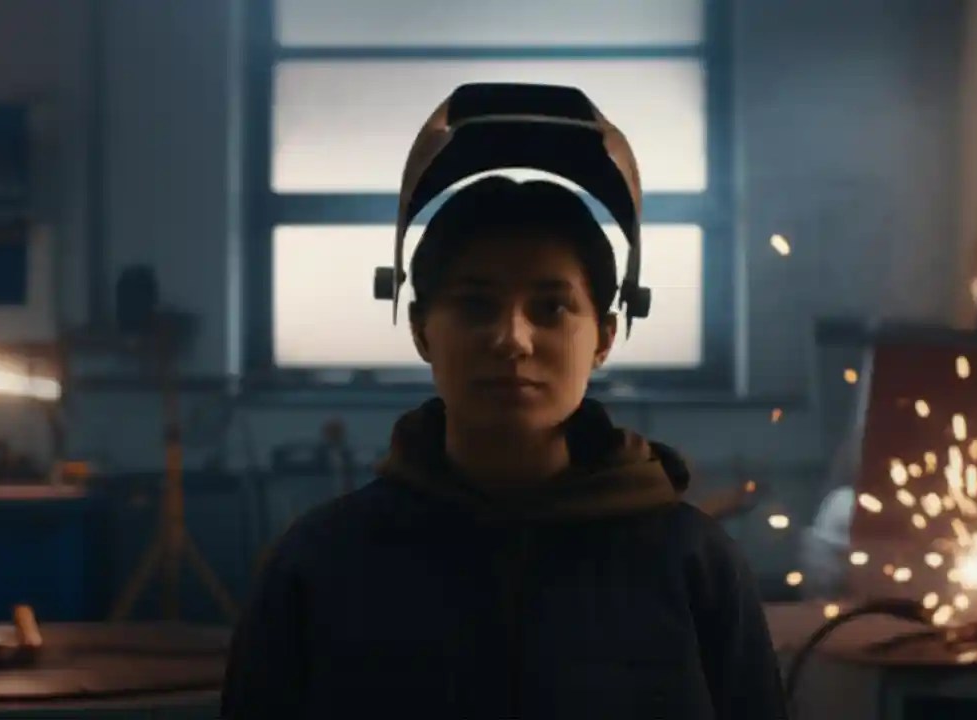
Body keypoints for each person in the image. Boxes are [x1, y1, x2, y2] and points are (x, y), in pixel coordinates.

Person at [222, 142, 787, 720]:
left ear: (605, 336)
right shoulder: (322, 562)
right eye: (474, 306)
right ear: (420, 330)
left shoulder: (692, 561)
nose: (513, 339)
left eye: (551, 308)